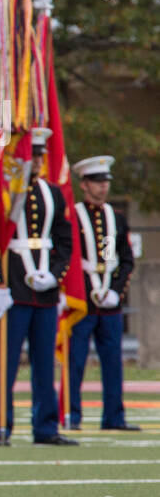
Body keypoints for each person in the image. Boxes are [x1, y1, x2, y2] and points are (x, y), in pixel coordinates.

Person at [0, 128, 75, 446]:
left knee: (45, 363)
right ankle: (0, 426)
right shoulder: (5, 191)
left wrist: (57, 275)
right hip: (14, 288)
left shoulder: (53, 192)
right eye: (30, 154)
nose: (35, 160)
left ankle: (46, 427)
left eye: (39, 155)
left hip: (45, 290)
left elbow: (64, 240)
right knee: (5, 363)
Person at [68, 155, 138, 431]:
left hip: (109, 301)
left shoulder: (116, 219)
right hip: (82, 300)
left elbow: (125, 259)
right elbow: (69, 258)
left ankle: (114, 416)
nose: (102, 187)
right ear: (84, 184)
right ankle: (72, 415)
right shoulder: (73, 216)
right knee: (75, 361)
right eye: (97, 182)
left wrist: (116, 291)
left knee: (112, 363)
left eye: (105, 182)